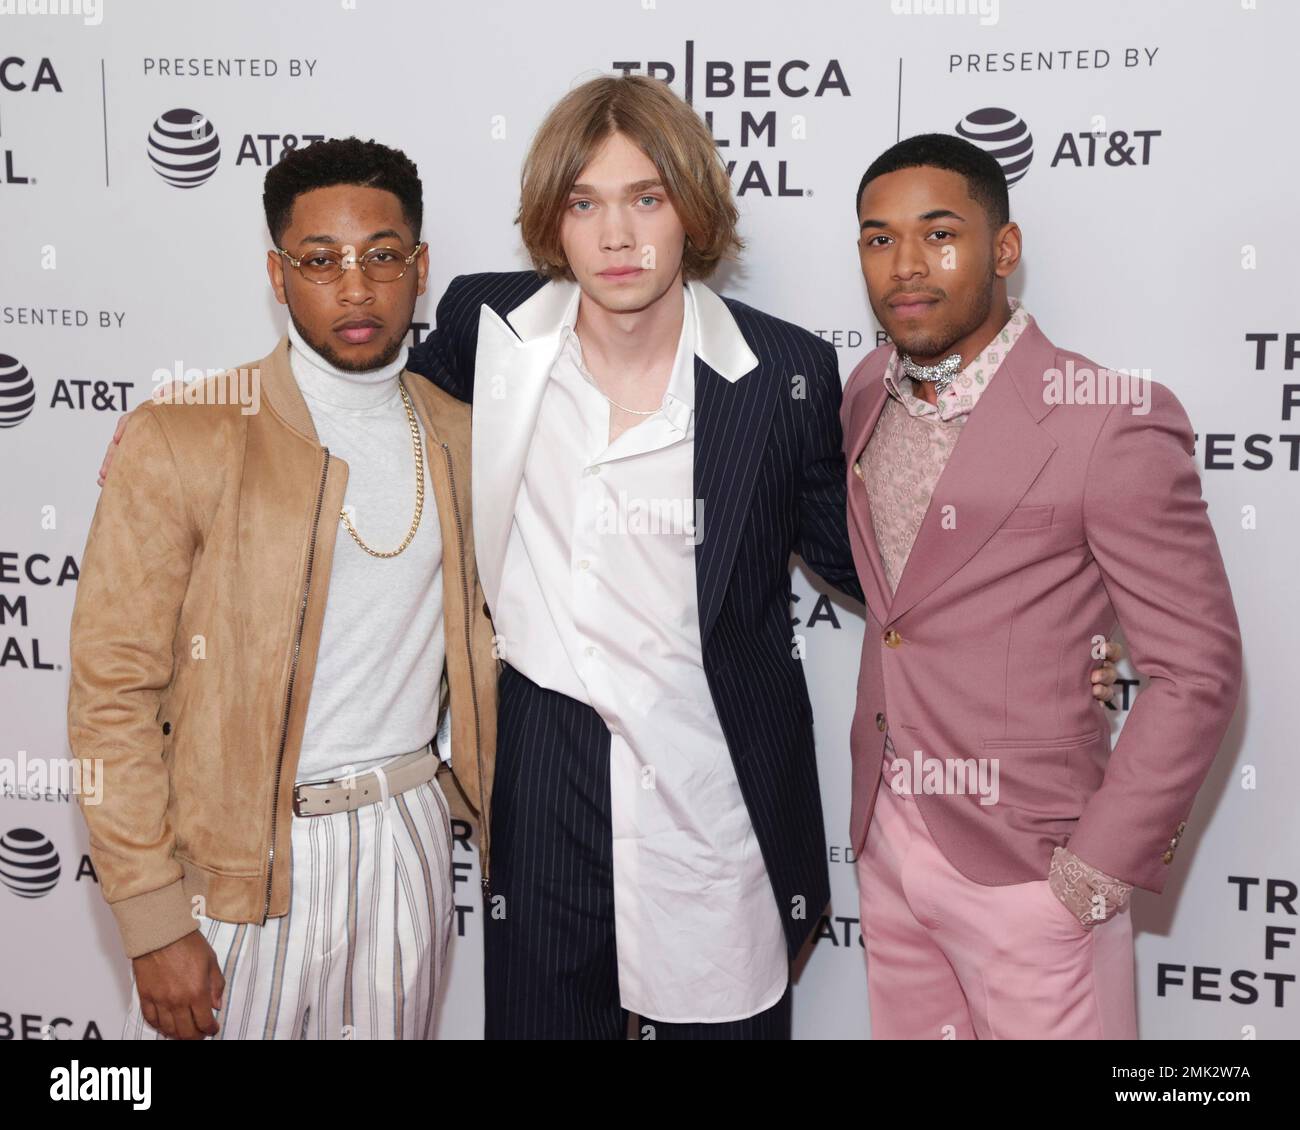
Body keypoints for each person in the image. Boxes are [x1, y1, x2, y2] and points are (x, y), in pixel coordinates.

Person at [403, 77, 1122, 1039]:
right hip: (543, 770)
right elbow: (383, 424)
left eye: (646, 198)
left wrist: (1054, 633)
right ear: (552, 222)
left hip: (715, 774)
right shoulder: (486, 327)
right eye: (585, 203)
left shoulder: (780, 372)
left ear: (692, 210)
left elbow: (874, 567)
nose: (617, 237)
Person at [71, 138, 497, 1039]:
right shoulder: (183, 435)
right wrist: (151, 921)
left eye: (383, 257)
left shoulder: (467, 438)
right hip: (237, 866)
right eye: (320, 260)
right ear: (277, 272)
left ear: (421, 269)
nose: (355, 287)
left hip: (405, 845)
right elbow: (112, 692)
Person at [842, 133, 1242, 1039]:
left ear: (1004, 250)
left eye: (939, 234)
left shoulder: (1110, 422)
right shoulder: (865, 391)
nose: (906, 265)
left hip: (1032, 870)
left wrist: (1091, 870)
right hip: (890, 843)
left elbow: (1197, 671)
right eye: (878, 238)